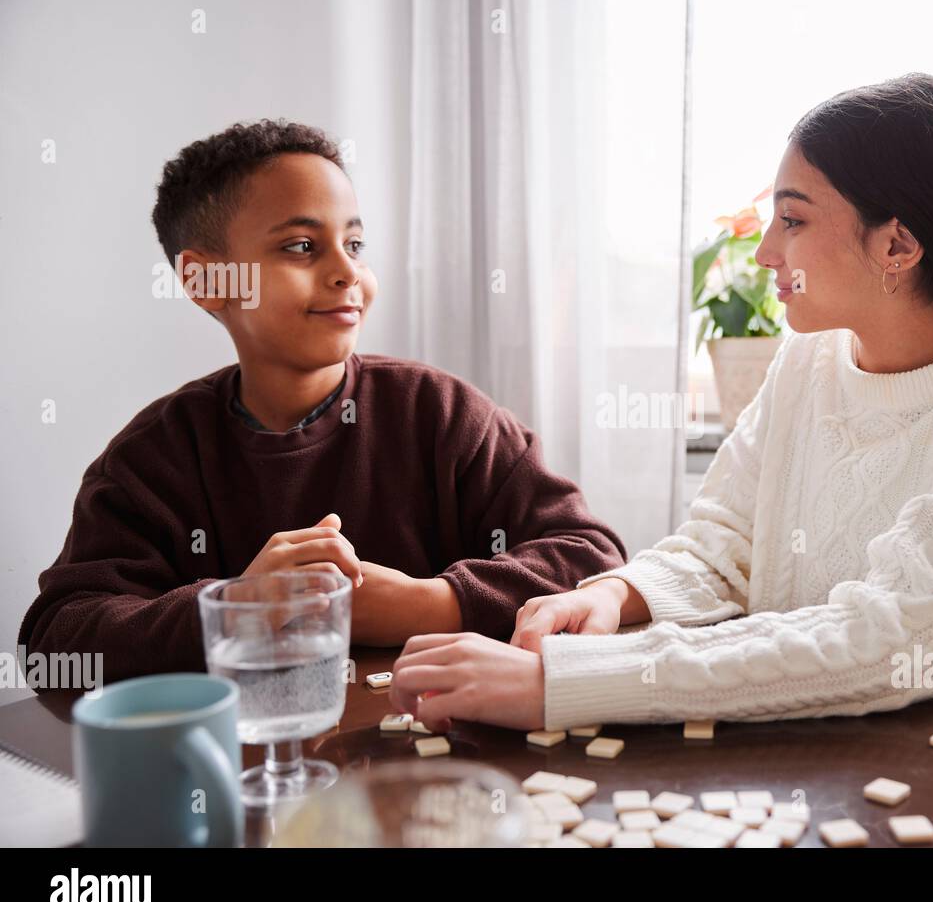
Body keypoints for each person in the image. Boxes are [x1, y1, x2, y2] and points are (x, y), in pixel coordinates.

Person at [388, 73, 933, 733]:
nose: (763, 253)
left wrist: (566, 685)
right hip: (811, 755)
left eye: (792, 220)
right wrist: (613, 594)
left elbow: (892, 635)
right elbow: (724, 546)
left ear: (897, 245)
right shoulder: (806, 363)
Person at [20, 119, 626, 684]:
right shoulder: (155, 458)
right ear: (206, 282)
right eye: (301, 248)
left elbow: (590, 554)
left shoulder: (439, 413)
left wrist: (424, 604)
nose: (346, 272)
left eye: (355, 244)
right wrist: (232, 608)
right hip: (247, 776)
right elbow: (57, 641)